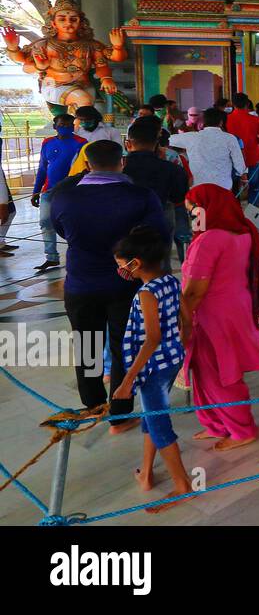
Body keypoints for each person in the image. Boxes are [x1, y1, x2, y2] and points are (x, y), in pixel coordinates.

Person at [52, 140, 168, 430]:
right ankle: (120, 414)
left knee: (88, 344)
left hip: (81, 281)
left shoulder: (64, 196)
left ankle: (93, 407)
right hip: (125, 281)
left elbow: (61, 230)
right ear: (122, 162)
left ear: (88, 165)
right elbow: (156, 236)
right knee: (122, 346)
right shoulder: (141, 196)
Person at [181, 184, 259, 450]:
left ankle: (242, 430)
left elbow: (195, 290)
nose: (193, 215)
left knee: (219, 373)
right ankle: (216, 423)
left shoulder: (209, 240)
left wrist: (182, 321)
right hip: (234, 308)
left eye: (194, 209)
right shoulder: (241, 231)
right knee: (206, 371)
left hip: (212, 315)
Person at [112, 224, 191, 512]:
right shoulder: (170, 281)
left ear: (137, 262)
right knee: (151, 415)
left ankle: (182, 486)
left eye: (123, 265)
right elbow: (188, 319)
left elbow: (152, 338)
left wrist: (126, 380)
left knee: (159, 425)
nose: (122, 270)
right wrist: (179, 348)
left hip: (152, 369)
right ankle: (146, 473)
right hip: (171, 361)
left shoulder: (146, 293)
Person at [123, 117, 188, 265]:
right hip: (161, 216)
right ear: (157, 144)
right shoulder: (171, 168)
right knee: (160, 262)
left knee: (129, 261)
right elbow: (179, 197)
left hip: (126, 218)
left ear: (128, 144)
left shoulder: (119, 167)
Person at [32, 113, 86, 272]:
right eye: (62, 125)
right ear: (55, 127)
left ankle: (77, 255)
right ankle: (51, 257)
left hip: (72, 190)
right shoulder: (47, 143)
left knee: (73, 224)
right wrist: (36, 190)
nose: (66, 128)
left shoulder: (81, 143)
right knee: (45, 222)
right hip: (48, 190)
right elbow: (42, 168)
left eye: (69, 125)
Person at [169, 108, 245, 191]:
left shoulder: (191, 137)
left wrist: (174, 124)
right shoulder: (230, 138)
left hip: (198, 187)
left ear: (204, 121)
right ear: (221, 122)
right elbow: (240, 166)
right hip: (223, 187)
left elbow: (168, 140)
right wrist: (241, 175)